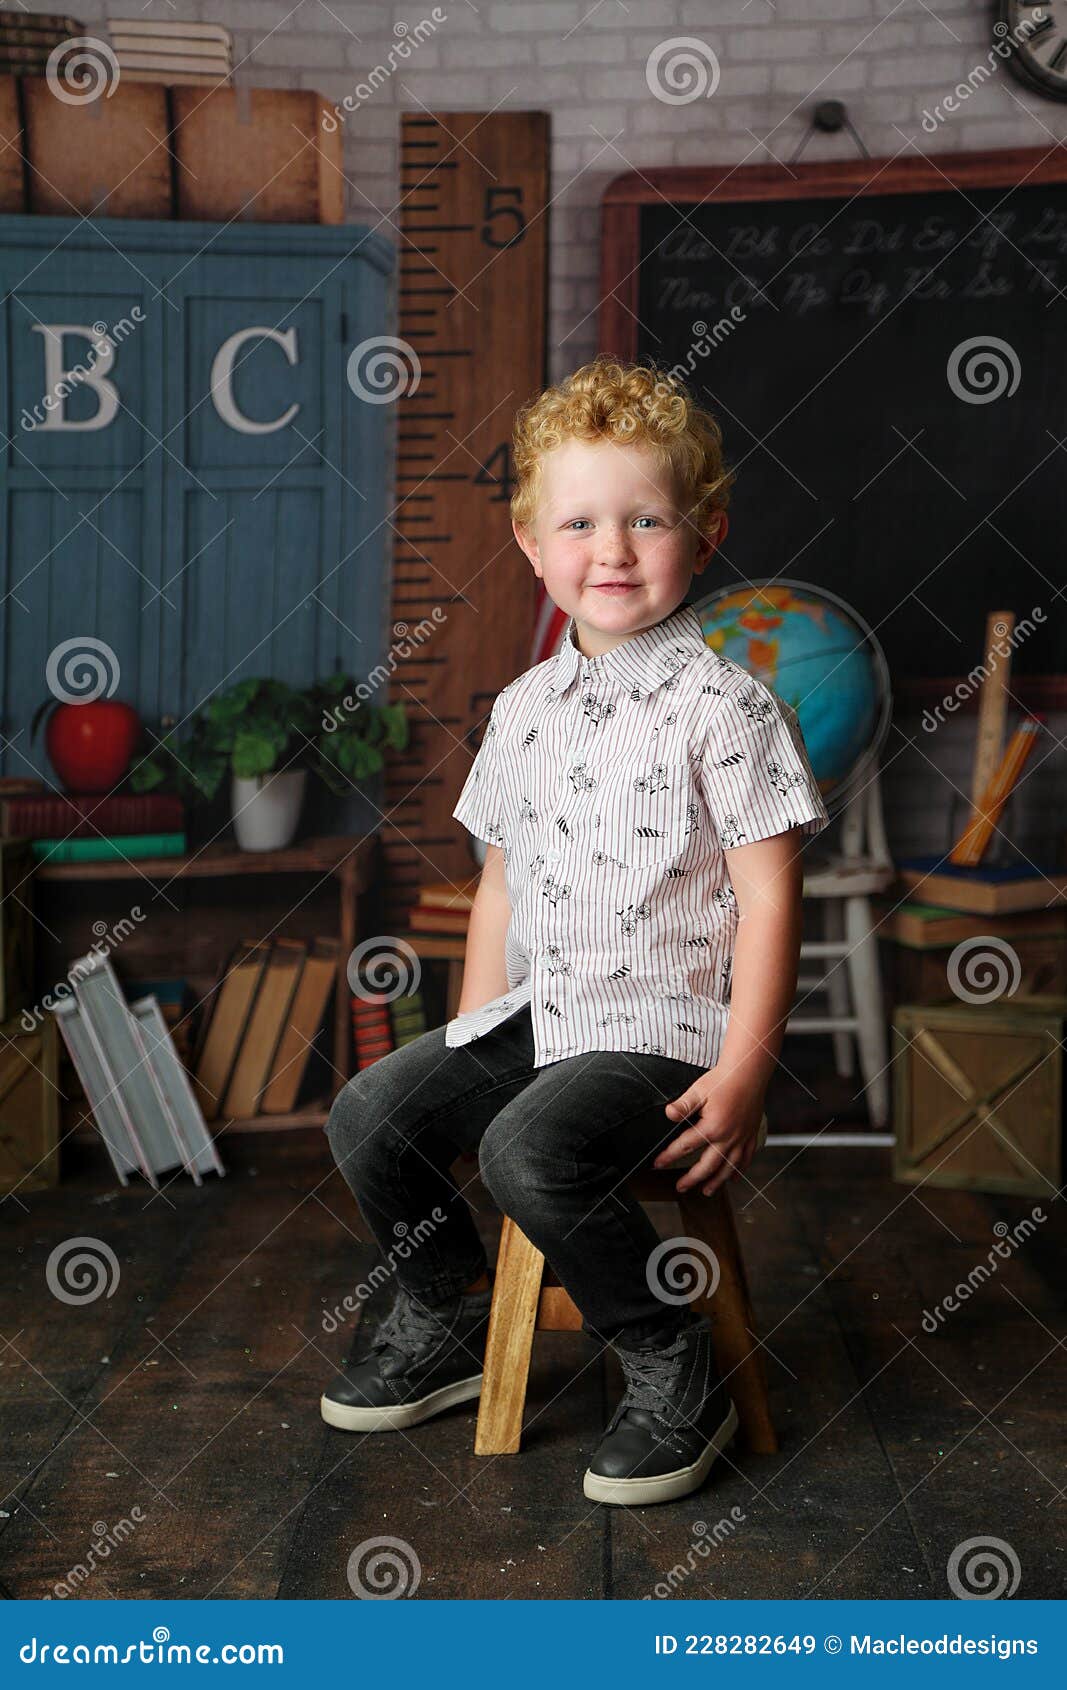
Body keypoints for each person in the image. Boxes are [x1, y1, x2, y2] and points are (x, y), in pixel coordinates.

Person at [320, 356, 830, 1507]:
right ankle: (444, 1308)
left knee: (527, 1151)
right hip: (541, 1014)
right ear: (530, 542)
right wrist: (463, 1040)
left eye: (645, 519)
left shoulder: (724, 707)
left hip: (666, 1032)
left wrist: (745, 1069)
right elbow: (499, 888)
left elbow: (768, 898)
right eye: (580, 523)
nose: (612, 550)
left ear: (703, 533)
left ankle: (667, 1355)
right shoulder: (523, 709)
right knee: (370, 1111)